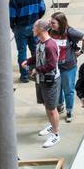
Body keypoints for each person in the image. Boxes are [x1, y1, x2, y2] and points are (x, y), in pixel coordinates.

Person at [9, 0, 46, 83]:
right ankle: (36, 72)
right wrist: (37, 19)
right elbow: (42, 8)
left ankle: (24, 76)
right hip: (35, 25)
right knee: (35, 49)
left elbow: (12, 16)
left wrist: (13, 26)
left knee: (22, 52)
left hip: (21, 28)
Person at [49, 12, 84, 123]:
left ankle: (69, 110)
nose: (51, 24)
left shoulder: (70, 31)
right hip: (54, 67)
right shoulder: (50, 31)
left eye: (53, 23)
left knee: (68, 89)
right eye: (50, 22)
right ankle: (60, 105)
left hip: (68, 67)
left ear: (60, 23)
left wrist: (81, 51)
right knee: (57, 87)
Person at [31, 18, 62, 148]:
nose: (32, 29)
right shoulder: (40, 42)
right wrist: (28, 61)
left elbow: (51, 65)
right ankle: (52, 125)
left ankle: (56, 134)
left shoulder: (50, 45)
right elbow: (37, 56)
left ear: (40, 29)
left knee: (52, 109)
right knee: (46, 105)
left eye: (34, 27)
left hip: (50, 80)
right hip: (42, 79)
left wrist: (36, 69)